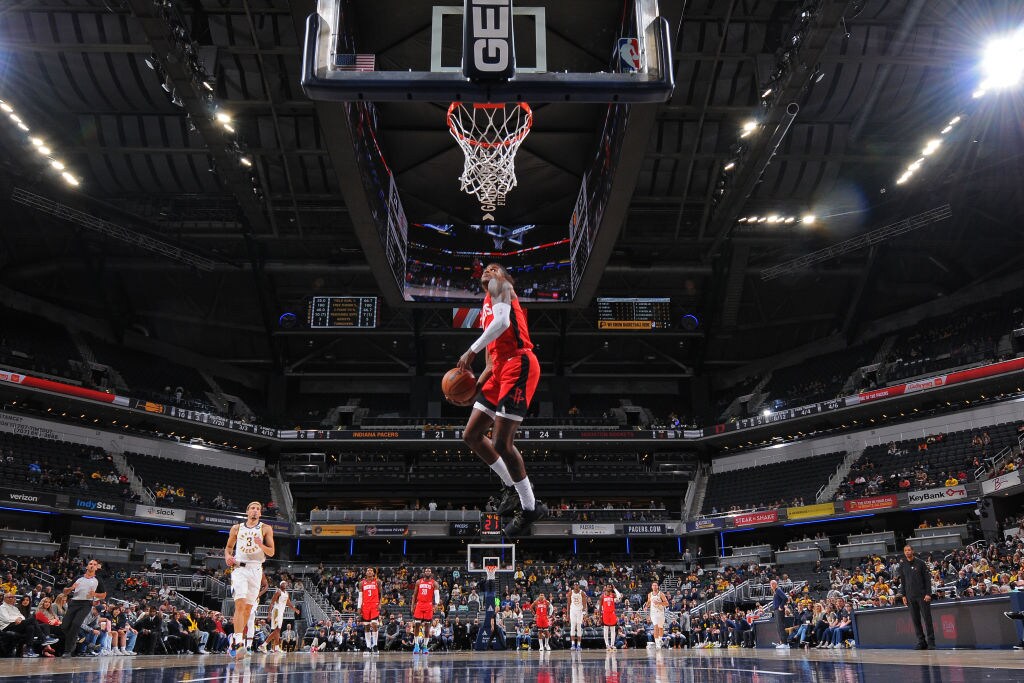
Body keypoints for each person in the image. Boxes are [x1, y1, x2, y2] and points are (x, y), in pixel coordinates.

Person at [457, 262, 547, 537]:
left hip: (519, 364)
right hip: (499, 370)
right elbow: (490, 359)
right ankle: (510, 487)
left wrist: (470, 350)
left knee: (500, 442)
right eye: (487, 268)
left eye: (496, 268)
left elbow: (503, 323)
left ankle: (531, 507)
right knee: (471, 435)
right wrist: (475, 388)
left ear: (505, 277)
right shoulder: (487, 302)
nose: (489, 270)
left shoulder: (501, 287)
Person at [224, 501, 275, 660]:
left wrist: (261, 545)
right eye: (252, 508)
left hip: (256, 570)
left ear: (260, 513)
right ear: (247, 511)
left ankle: (234, 638)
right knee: (239, 605)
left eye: (258, 509)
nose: (255, 511)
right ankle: (239, 642)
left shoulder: (266, 528)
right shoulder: (237, 528)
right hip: (240, 569)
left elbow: (271, 552)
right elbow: (228, 547)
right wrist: (227, 557)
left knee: (247, 609)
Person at [60, 559, 106, 658]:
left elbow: (104, 595)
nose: (92, 566)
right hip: (74, 602)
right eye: (90, 564)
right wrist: (70, 588)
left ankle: (67, 651)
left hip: (86, 604)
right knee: (64, 626)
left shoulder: (98, 579)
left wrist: (95, 594)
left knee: (76, 624)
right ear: (87, 566)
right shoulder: (78, 578)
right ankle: (77, 638)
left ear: (97, 567)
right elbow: (64, 591)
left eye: (94, 564)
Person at [898, 544, 935, 650]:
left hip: (922, 596)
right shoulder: (902, 565)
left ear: (912, 551)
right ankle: (921, 642)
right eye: (905, 550)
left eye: (909, 550)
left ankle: (931, 642)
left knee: (927, 619)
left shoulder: (921, 563)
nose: (907, 552)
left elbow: (927, 580)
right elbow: (903, 581)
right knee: (915, 620)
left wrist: (928, 593)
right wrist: (903, 595)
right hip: (910, 596)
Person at [265, 580, 300, 653]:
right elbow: (271, 603)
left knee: (278, 630)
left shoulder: (286, 593)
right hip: (276, 611)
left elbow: (289, 603)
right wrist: (269, 614)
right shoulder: (278, 592)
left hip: (281, 612)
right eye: (283, 584)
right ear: (280, 585)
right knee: (276, 630)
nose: (285, 584)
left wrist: (295, 609)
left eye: (286, 584)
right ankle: (264, 644)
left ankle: (276, 648)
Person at [411, 568, 440, 654]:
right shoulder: (418, 582)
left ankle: (425, 646)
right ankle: (416, 645)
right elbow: (415, 594)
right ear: (424, 573)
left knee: (427, 627)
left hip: (428, 605)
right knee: (417, 624)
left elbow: (437, 595)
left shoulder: (434, 583)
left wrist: (436, 604)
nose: (428, 572)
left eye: (429, 571)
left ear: (431, 573)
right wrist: (412, 605)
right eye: (426, 571)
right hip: (419, 604)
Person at [358, 568, 381, 654]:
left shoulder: (377, 582)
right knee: (366, 626)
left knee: (374, 624)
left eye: (371, 570)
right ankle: (368, 646)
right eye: (368, 570)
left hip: (374, 605)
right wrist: (359, 607)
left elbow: (380, 593)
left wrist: (380, 603)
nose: (369, 571)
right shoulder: (361, 583)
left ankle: (375, 645)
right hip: (365, 606)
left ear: (373, 573)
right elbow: (360, 596)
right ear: (366, 573)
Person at [644, 581, 670, 648]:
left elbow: (667, 603)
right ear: (652, 587)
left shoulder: (661, 594)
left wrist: (659, 603)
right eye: (653, 585)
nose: (654, 586)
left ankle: (660, 639)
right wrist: (646, 606)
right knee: (655, 626)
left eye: (656, 585)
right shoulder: (649, 594)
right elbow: (649, 602)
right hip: (653, 612)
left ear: (658, 586)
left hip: (661, 612)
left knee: (660, 627)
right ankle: (657, 642)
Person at [567, 582, 589, 651]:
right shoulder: (570, 593)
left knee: (579, 627)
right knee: (572, 627)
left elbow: (585, 604)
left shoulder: (582, 593)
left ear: (579, 585)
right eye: (575, 585)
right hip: (572, 611)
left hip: (579, 611)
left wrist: (585, 612)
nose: (576, 586)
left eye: (577, 585)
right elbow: (568, 603)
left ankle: (579, 645)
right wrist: (567, 614)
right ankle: (573, 644)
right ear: (573, 586)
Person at [600, 584, 622, 651]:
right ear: (605, 587)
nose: (609, 587)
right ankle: (607, 645)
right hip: (605, 614)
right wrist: (600, 615)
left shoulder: (613, 595)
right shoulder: (602, 596)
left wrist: (615, 589)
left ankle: (612, 645)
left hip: (612, 613)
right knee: (606, 630)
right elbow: (600, 606)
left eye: (610, 587)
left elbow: (619, 596)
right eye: (608, 586)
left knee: (613, 630)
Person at [771, 579, 789, 649]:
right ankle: (782, 642)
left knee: (781, 626)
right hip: (776, 610)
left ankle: (785, 643)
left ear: (776, 584)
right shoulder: (775, 591)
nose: (771, 585)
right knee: (778, 627)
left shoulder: (778, 590)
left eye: (773, 584)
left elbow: (785, 598)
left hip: (779, 610)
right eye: (771, 584)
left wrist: (781, 606)